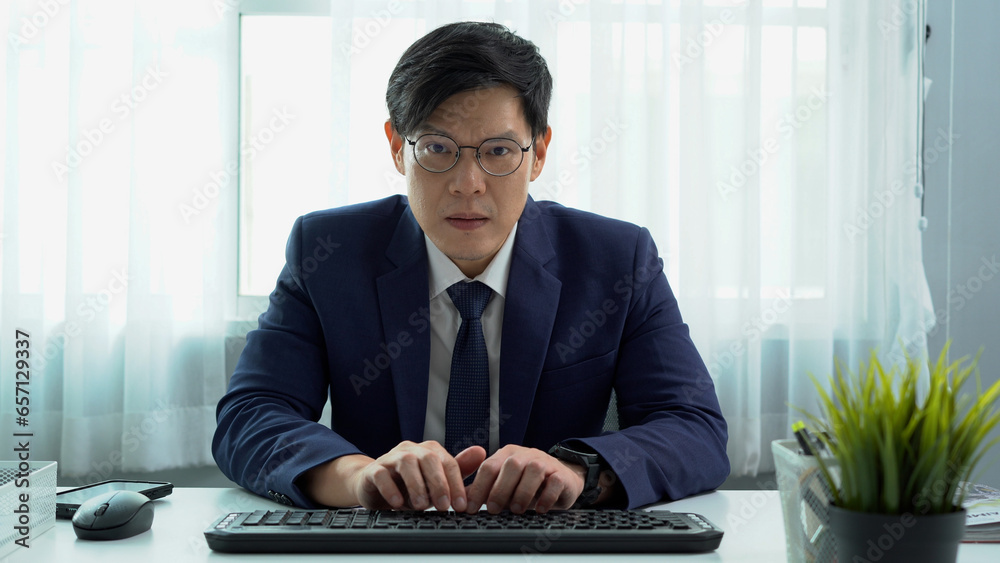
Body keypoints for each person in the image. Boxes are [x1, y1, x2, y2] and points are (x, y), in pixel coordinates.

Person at [213, 21, 729, 514]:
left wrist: (578, 472)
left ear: (539, 152)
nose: (468, 183)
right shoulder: (327, 252)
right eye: (437, 148)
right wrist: (357, 476)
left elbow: (694, 428)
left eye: (499, 151)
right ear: (398, 147)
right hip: (382, 547)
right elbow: (250, 417)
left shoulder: (616, 259)